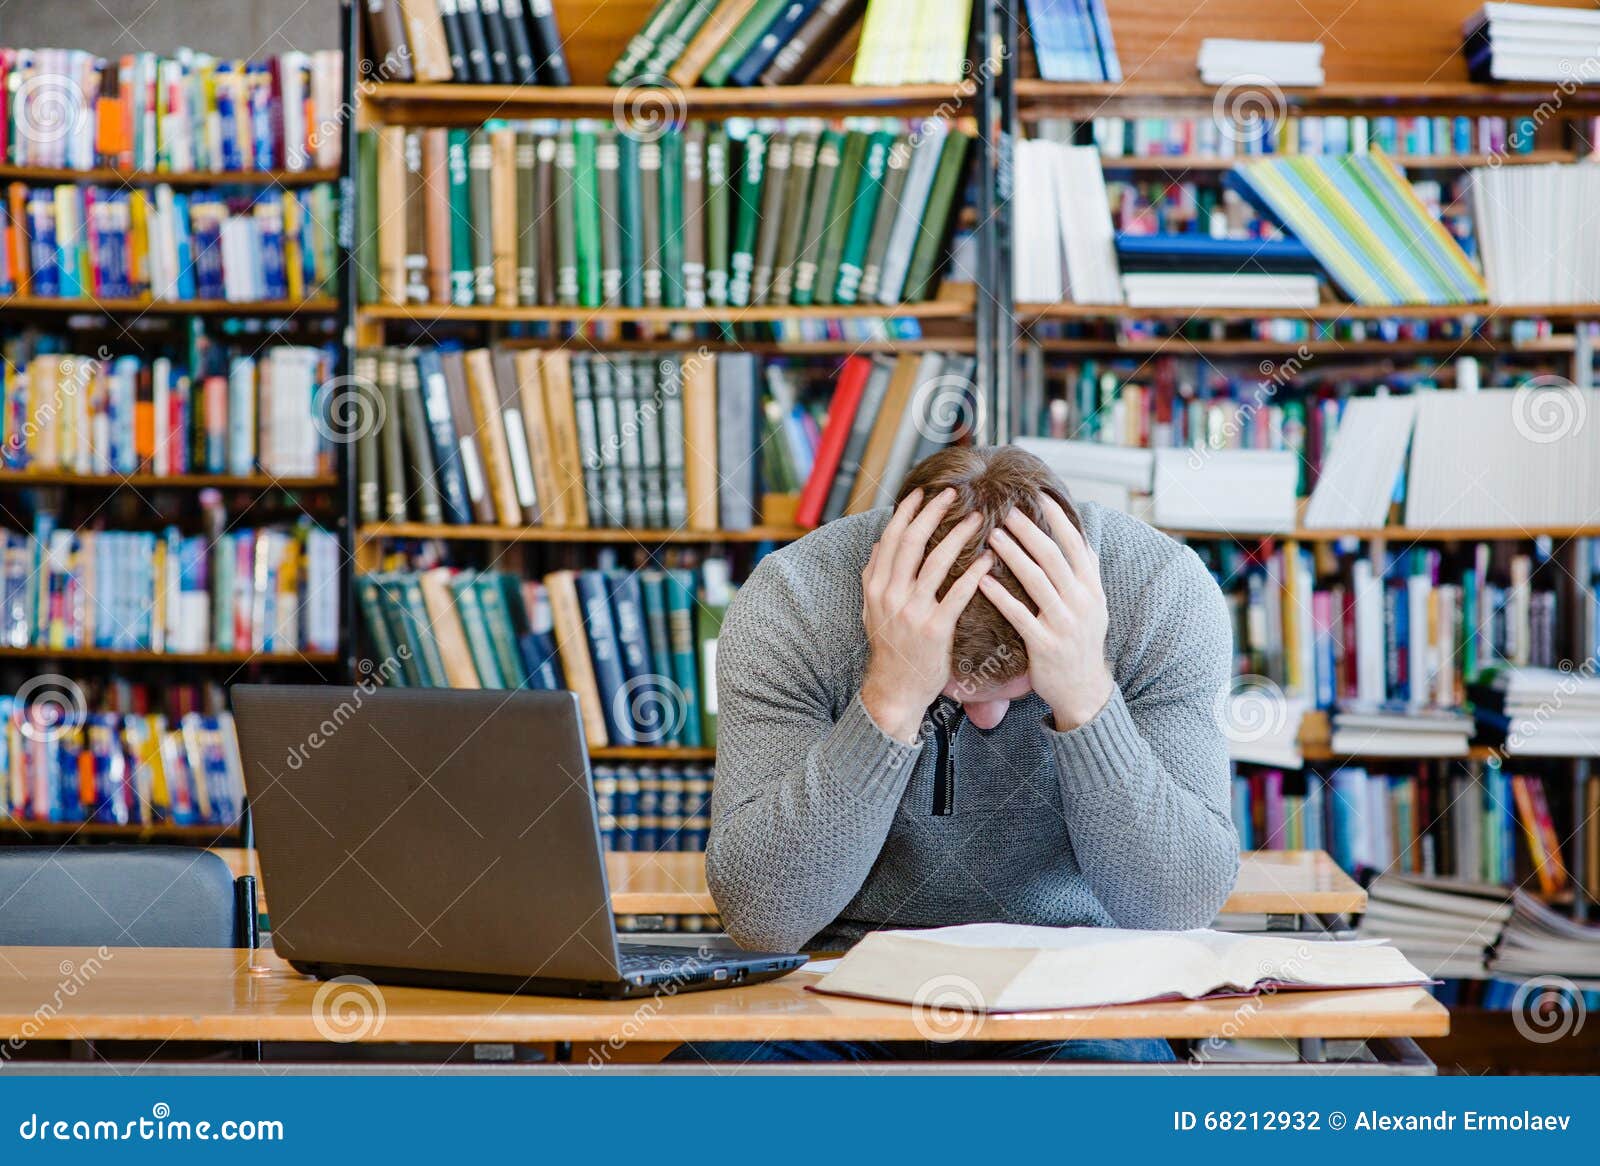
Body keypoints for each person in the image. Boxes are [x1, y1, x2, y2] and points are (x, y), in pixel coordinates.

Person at [674, 445, 1239, 1065]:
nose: (987, 719)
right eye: (950, 691)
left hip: (1078, 987)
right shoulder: (793, 599)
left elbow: (1177, 905)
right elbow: (764, 915)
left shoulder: (1163, 592)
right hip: (838, 982)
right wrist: (890, 698)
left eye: (1019, 690)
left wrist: (1084, 695)